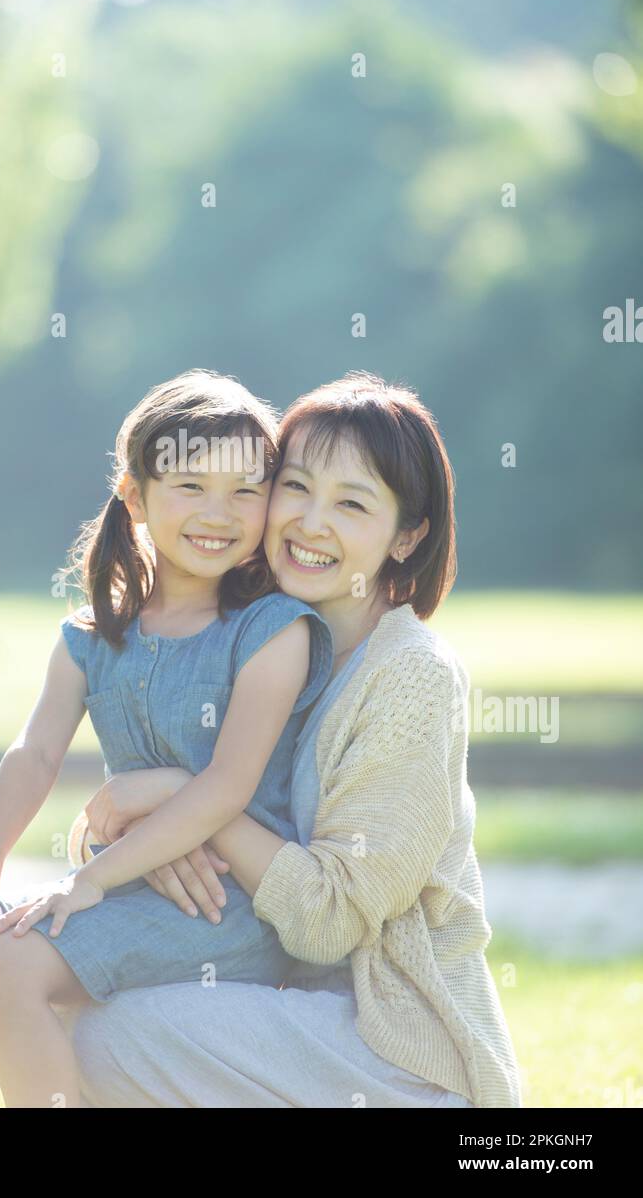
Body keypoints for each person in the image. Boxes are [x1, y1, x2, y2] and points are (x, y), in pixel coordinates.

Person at [65, 371, 523, 1108]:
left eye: (350, 504)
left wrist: (192, 800)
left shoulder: (409, 679)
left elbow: (327, 919)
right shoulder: (256, 642)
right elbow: (131, 818)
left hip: (399, 1058)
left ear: (407, 535)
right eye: (295, 487)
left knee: (104, 1036)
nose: (310, 523)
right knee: (58, 983)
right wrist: (135, 842)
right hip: (276, 1013)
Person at [0, 369, 333, 1109]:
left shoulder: (269, 632)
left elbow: (227, 787)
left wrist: (90, 878)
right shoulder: (94, 636)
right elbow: (33, 755)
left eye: (246, 490)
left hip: (232, 909)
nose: (219, 513)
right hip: (132, 885)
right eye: (190, 486)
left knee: (8, 968)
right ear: (133, 494)